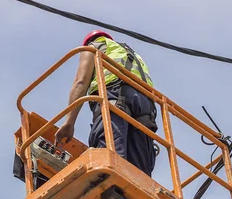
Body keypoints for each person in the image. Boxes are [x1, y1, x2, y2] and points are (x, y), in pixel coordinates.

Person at [54, 30, 158, 177]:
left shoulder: (93, 47)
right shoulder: (130, 53)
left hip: (115, 97)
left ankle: (109, 185)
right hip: (146, 107)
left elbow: (80, 83)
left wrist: (69, 122)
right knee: (140, 173)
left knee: (111, 156)